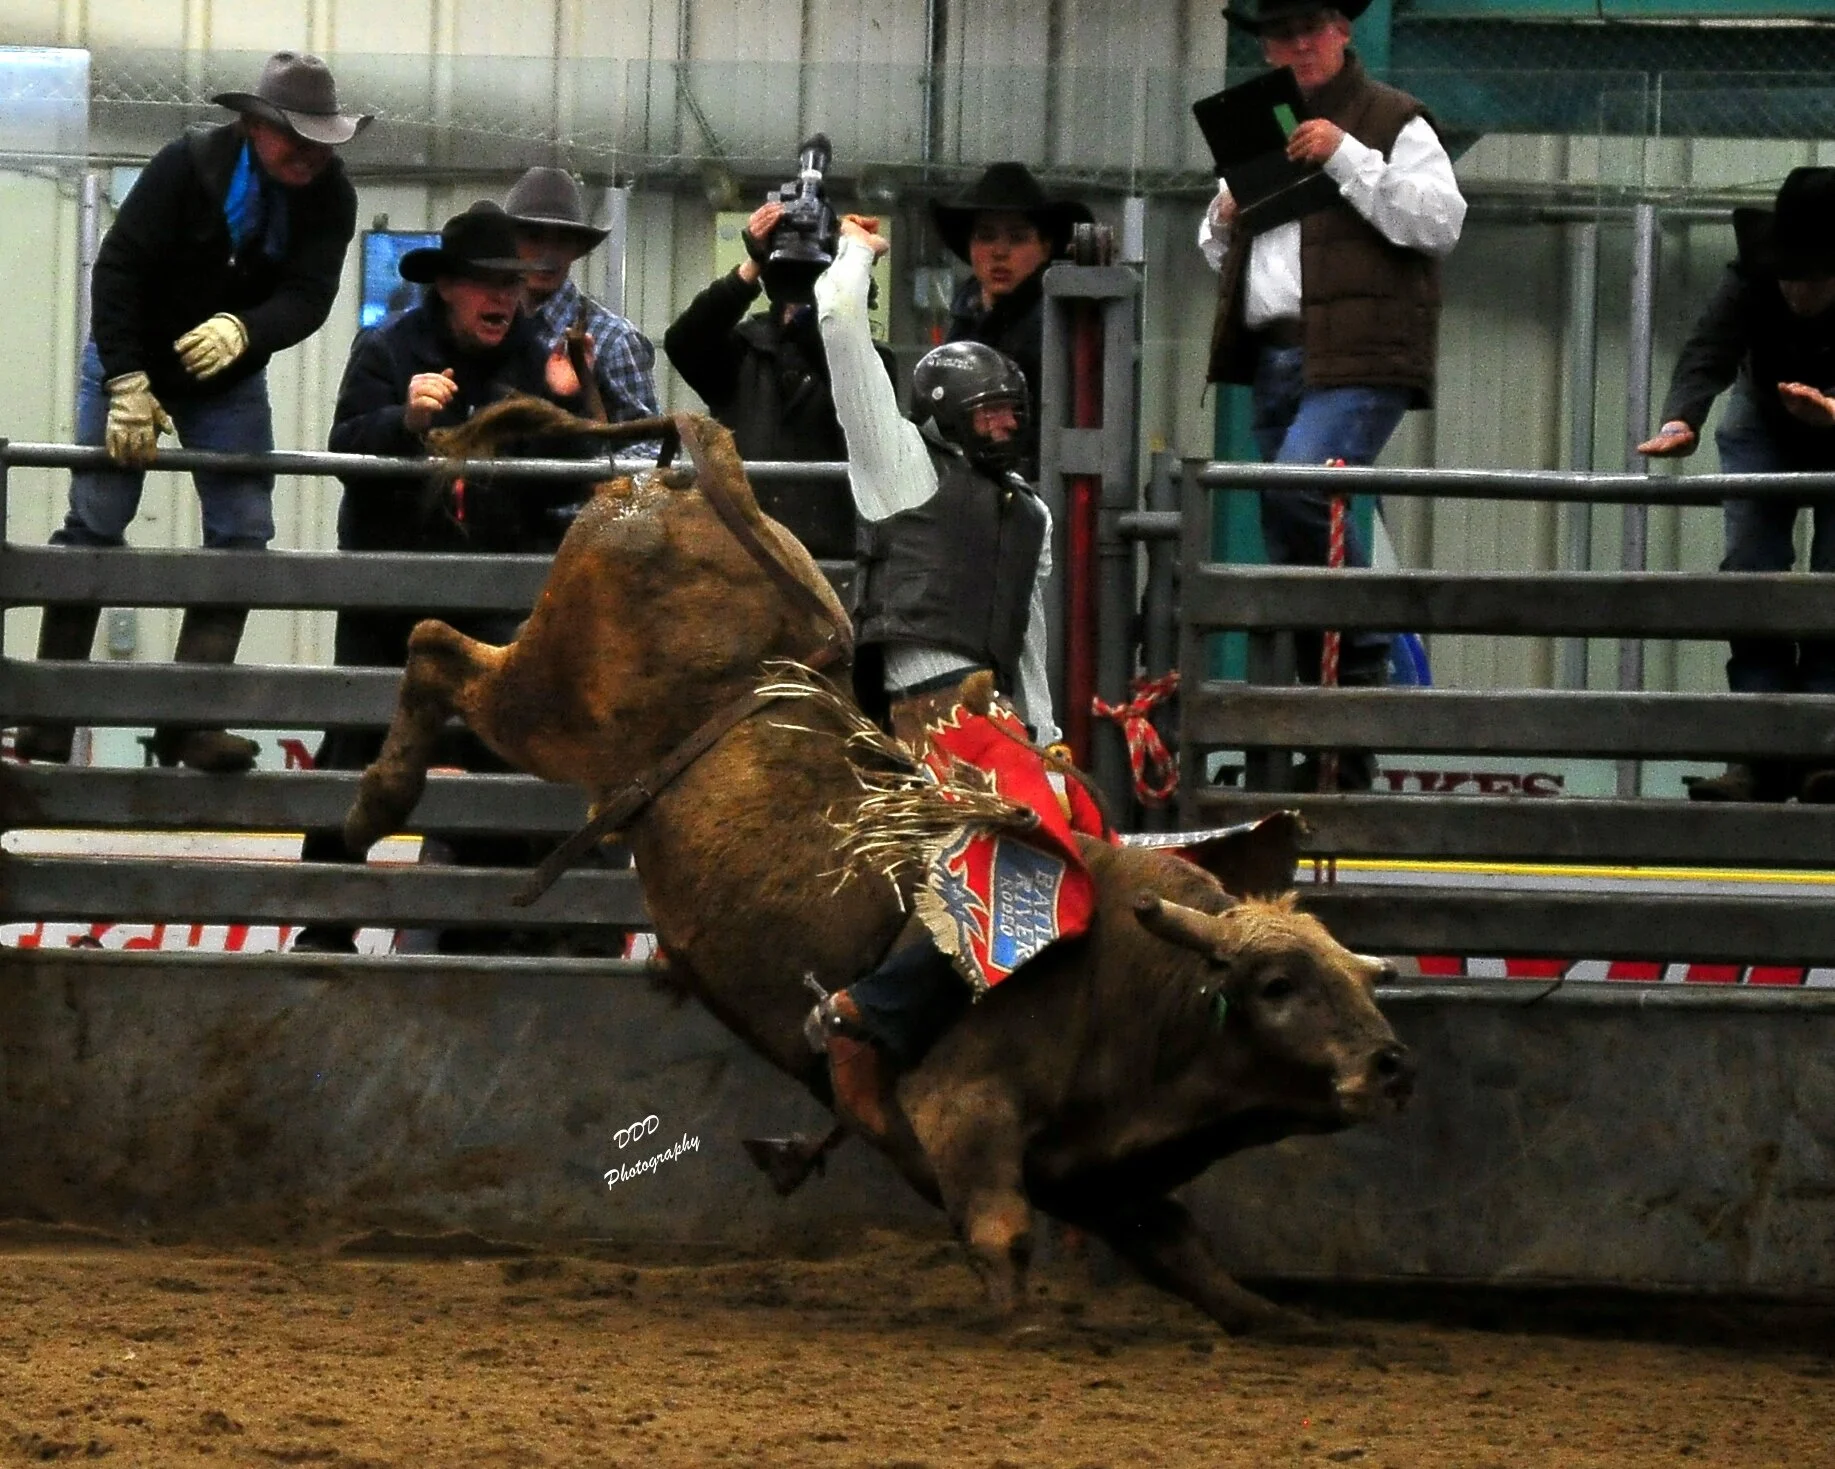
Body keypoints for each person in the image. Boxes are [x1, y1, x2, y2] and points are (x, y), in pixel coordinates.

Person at [801, 214, 1107, 1141]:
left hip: (1001, 721)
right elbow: (838, 320)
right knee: (1030, 866)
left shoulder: (1028, 512)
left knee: (1088, 844)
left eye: (1014, 414)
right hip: (930, 719)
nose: (1007, 428)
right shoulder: (895, 465)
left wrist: (1049, 736)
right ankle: (871, 1011)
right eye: (990, 416)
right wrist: (855, 249)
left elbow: (1029, 632)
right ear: (941, 418)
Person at [11, 52, 370, 771]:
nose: (307, 154)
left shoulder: (331, 198)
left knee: (243, 532)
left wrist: (247, 329)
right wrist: (124, 380)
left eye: (318, 141)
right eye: (293, 136)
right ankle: (48, 717)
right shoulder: (185, 167)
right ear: (252, 125)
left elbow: (307, 294)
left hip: (227, 377)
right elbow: (119, 270)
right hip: (133, 355)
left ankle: (191, 718)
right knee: (97, 517)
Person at [290, 201, 596, 954]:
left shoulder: (536, 361)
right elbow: (345, 451)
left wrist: (570, 402)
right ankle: (325, 927)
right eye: (486, 282)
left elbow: (567, 478)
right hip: (389, 605)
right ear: (449, 286)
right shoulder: (388, 349)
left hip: (487, 603)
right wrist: (405, 422)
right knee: (358, 757)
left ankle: (480, 930)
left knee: (500, 757)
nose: (504, 297)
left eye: (513, 283)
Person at [1200, 0, 1466, 790]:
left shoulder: (1391, 121)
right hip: (1281, 353)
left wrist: (1348, 155)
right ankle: (1322, 736)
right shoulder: (1256, 125)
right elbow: (1223, 252)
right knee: (1290, 528)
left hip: (1358, 355)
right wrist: (1221, 218)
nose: (1295, 48)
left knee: (1297, 489)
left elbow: (1440, 224)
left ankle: (1356, 672)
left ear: (1342, 32)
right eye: (1280, 37)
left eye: (1307, 31)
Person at [1638, 167, 1835, 804]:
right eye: (1788, 274)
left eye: (1813, 277)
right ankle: (1756, 750)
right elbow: (1708, 350)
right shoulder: (1750, 279)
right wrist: (1680, 418)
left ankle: (1821, 749)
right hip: (1765, 415)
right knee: (1752, 569)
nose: (1797, 291)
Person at [662, 199, 893, 559]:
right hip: (743, 553)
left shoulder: (872, 363)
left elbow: (842, 368)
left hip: (829, 561)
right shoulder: (741, 353)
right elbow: (683, 342)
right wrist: (753, 265)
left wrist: (845, 269)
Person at [932, 161, 1092, 480]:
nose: (1000, 252)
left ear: (1046, 247)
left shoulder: (1055, 322)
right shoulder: (965, 319)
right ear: (970, 245)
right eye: (986, 236)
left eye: (1018, 238)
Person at [503, 166, 660, 467]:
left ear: (576, 248)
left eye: (562, 240)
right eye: (534, 237)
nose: (549, 253)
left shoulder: (613, 339)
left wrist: (589, 474)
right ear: (510, 243)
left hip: (578, 510)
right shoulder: (492, 331)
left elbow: (653, 447)